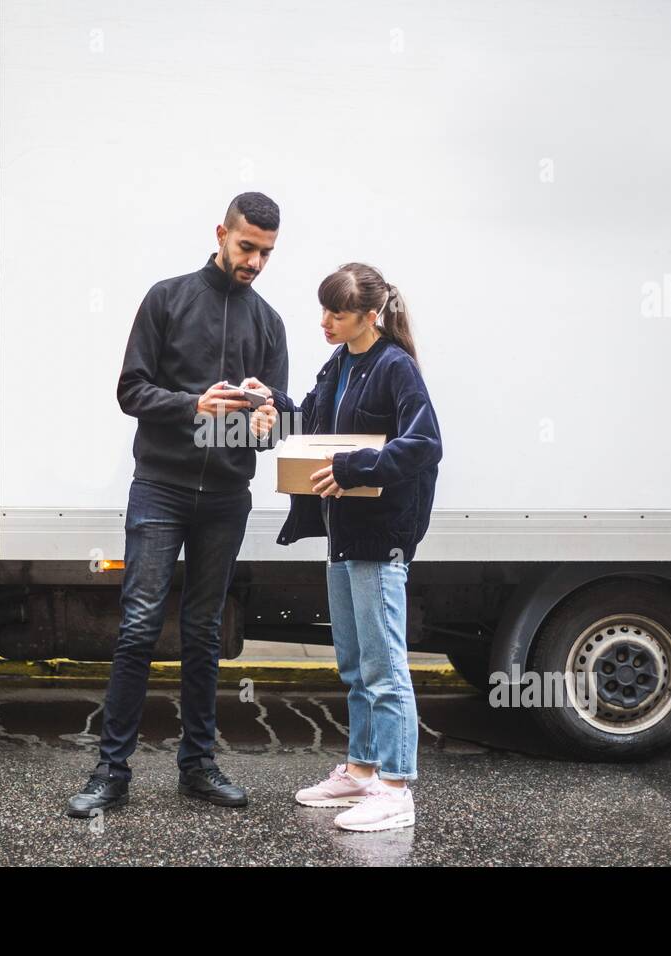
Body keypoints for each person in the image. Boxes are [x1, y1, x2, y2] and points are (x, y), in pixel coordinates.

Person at [67, 193, 288, 818]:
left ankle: (198, 766)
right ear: (222, 233)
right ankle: (111, 772)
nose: (254, 262)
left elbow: (276, 424)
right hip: (160, 487)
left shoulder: (269, 322)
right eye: (247, 247)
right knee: (138, 626)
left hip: (225, 497)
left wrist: (270, 417)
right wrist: (194, 404)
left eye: (266, 253)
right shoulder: (167, 298)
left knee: (202, 632)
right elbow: (130, 390)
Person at [243, 262, 441, 832]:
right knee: (355, 667)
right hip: (343, 536)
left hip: (380, 540)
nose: (325, 321)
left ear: (369, 316)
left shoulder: (394, 368)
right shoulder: (341, 363)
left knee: (385, 670)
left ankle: (396, 789)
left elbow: (424, 444)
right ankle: (360, 771)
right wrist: (271, 401)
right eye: (325, 309)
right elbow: (311, 422)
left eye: (338, 312)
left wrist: (354, 467)